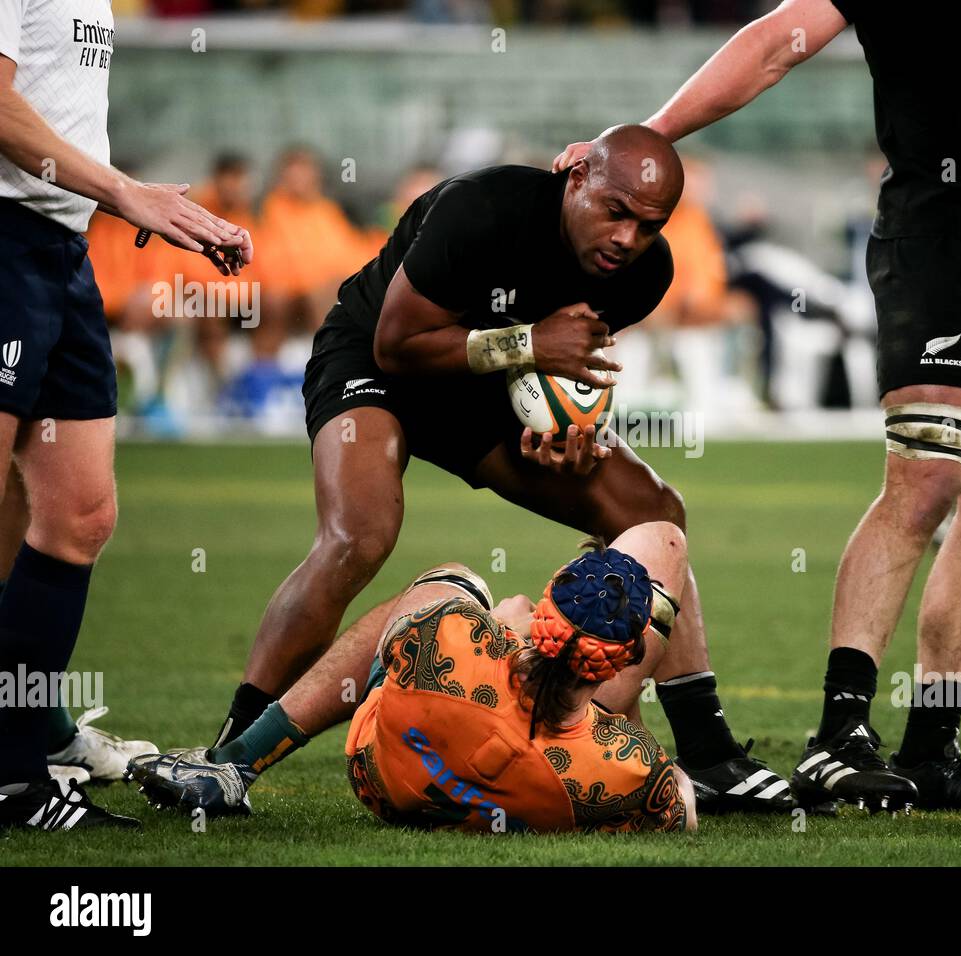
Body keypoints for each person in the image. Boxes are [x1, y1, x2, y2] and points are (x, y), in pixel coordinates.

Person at [555, 0, 961, 812]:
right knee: (930, 477)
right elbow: (776, 42)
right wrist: (653, 133)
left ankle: (933, 751)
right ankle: (840, 735)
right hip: (939, 237)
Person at [193, 124, 791, 814]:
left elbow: (573, 373)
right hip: (380, 361)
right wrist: (531, 341)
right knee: (360, 533)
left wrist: (570, 432)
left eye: (649, 226)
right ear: (576, 180)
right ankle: (231, 751)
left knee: (652, 511)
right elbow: (398, 343)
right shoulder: (483, 207)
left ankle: (703, 749)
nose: (628, 237)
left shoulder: (643, 273)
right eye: (616, 211)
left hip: (491, 385)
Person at [0, 0, 252, 830]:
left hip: (59, 250)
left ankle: (26, 748)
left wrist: (137, 206)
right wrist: (125, 192)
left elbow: (53, 109)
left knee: (78, 515)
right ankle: (14, 770)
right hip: (4, 239)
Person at [128, 522, 696, 833]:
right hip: (512, 796)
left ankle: (237, 763)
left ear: (547, 608)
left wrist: (505, 624)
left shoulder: (452, 632)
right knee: (665, 538)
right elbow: (681, 813)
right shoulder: (634, 768)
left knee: (453, 580)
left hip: (380, 777)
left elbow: (412, 637)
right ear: (627, 657)